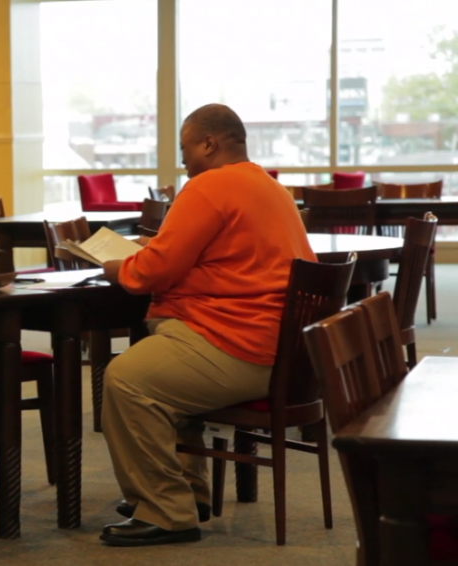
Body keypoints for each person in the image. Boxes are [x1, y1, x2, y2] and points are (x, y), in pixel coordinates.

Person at [97, 104, 316, 547]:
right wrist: (157, 249)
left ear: (209, 144)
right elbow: (222, 257)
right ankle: (188, 493)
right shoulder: (270, 187)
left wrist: (116, 267)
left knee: (126, 380)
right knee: (160, 367)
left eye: (185, 151)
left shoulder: (209, 185)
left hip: (236, 344)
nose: (184, 162)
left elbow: (154, 272)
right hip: (278, 347)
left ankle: (166, 511)